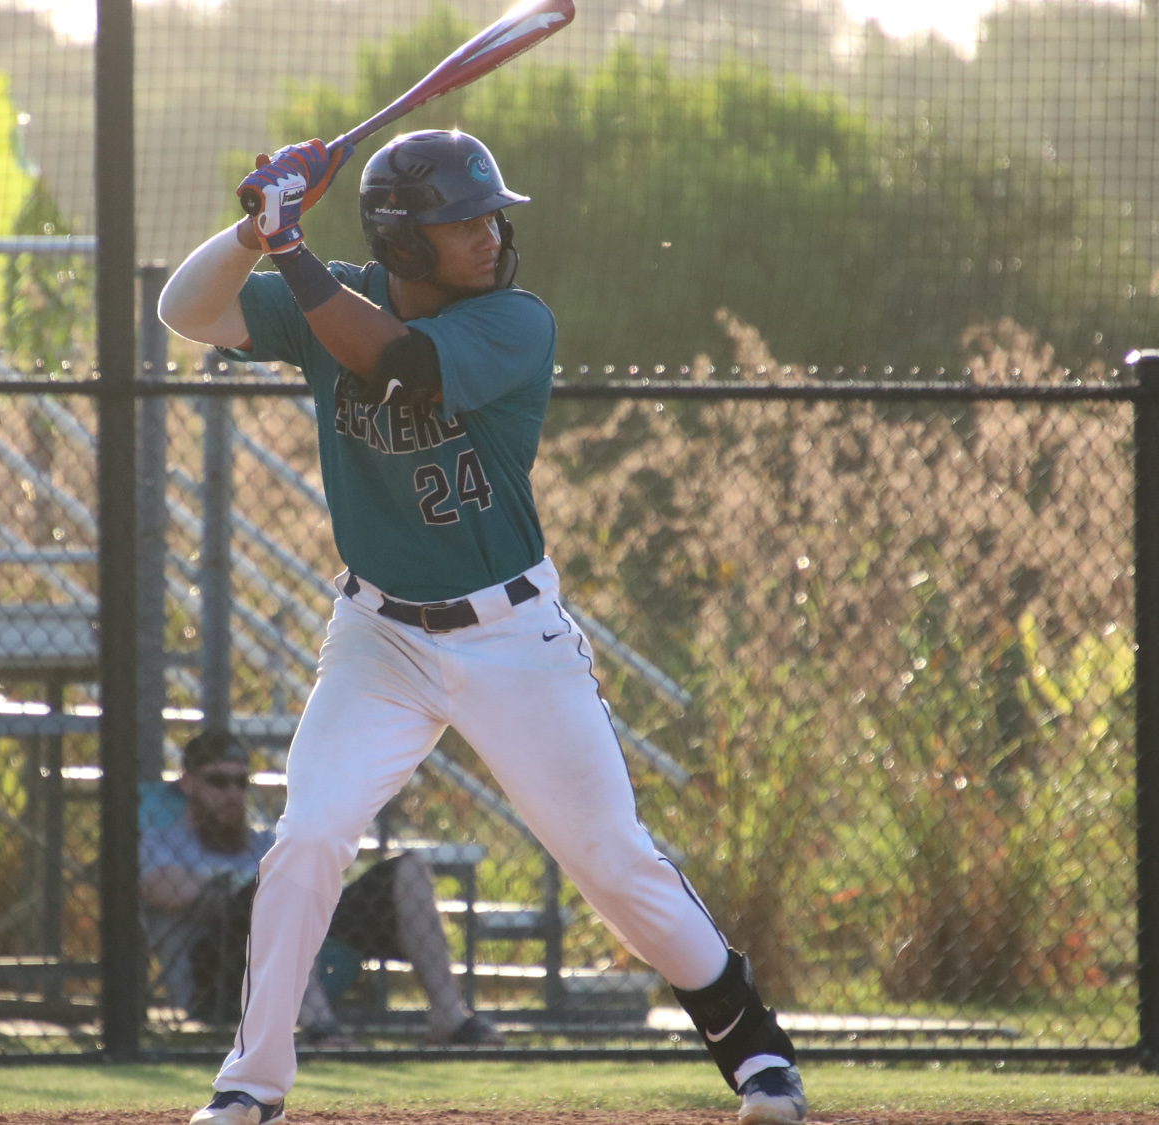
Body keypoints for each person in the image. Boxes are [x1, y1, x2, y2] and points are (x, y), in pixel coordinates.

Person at [158, 129, 805, 1125]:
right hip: (378, 638)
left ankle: (751, 1045)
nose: (489, 236)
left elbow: (398, 362)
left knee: (610, 861)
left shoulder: (513, 322)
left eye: (489, 217)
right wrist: (256, 229)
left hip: (511, 636)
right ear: (404, 246)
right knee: (306, 837)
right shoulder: (327, 290)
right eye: (462, 223)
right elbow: (183, 310)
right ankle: (249, 1088)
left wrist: (290, 252)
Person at [142, 729, 502, 1047]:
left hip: (306, 952)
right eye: (218, 782)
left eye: (241, 783)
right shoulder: (165, 839)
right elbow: (165, 889)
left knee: (406, 870)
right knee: (278, 882)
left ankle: (449, 1016)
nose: (232, 793)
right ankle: (318, 1025)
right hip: (220, 979)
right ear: (188, 784)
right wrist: (260, 888)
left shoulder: (261, 842)